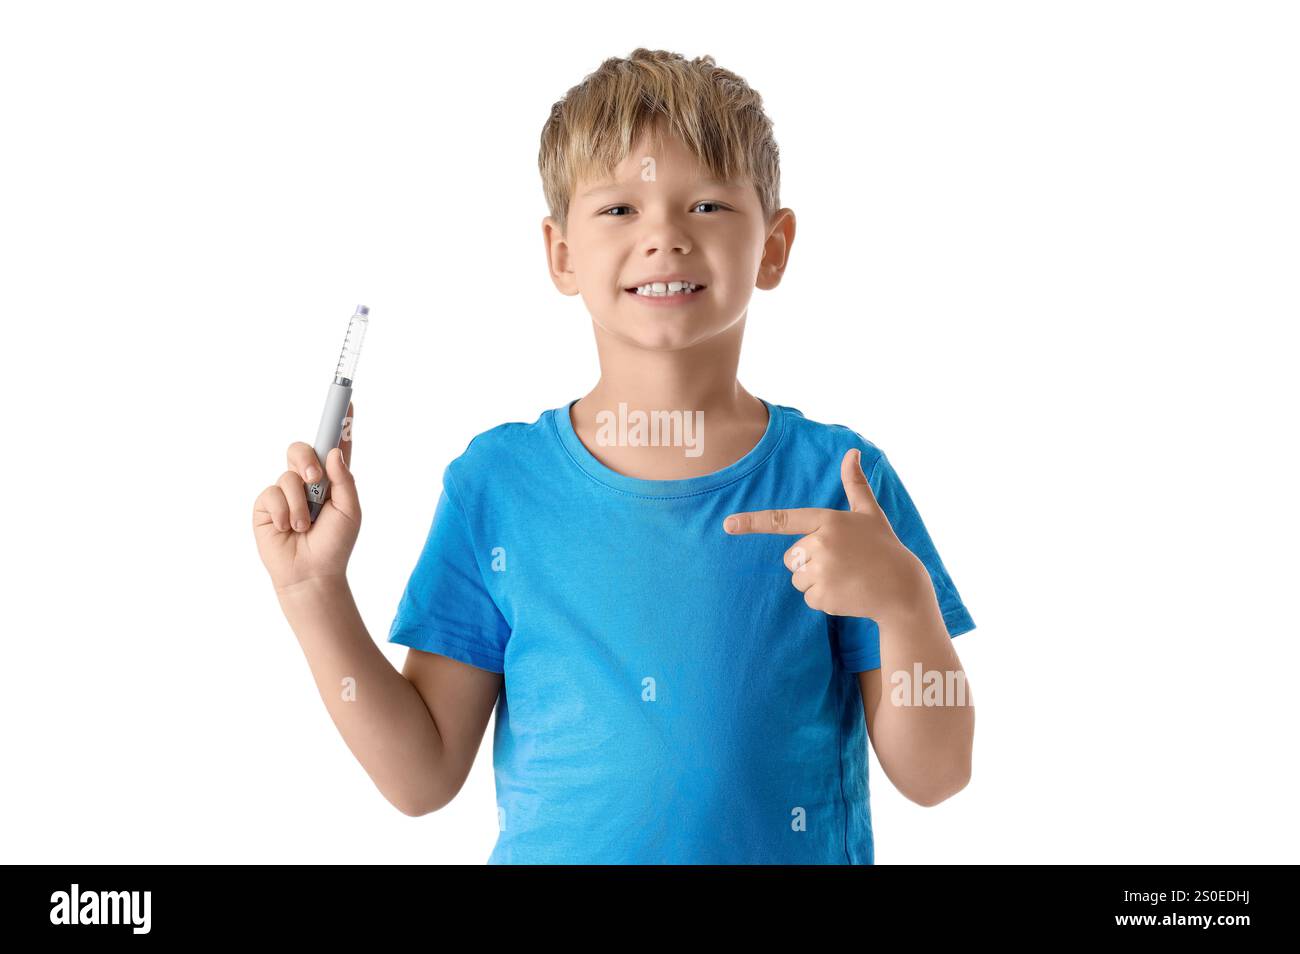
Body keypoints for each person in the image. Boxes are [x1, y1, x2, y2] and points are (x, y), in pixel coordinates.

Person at [253, 48, 977, 864]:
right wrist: (312, 592)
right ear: (561, 253)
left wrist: (907, 605)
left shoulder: (844, 483)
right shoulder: (496, 488)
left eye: (705, 205)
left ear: (773, 247)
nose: (664, 237)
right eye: (619, 211)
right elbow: (421, 778)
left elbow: (938, 773)